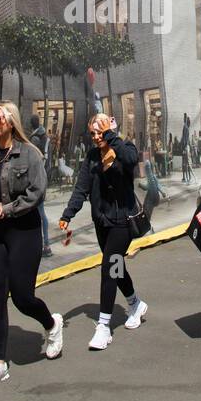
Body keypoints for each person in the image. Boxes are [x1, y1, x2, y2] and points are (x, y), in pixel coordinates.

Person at [0, 101, 63, 387]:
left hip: (24, 230)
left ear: (11, 122)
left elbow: (37, 193)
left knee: (22, 297)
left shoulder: (30, 154)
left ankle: (52, 324)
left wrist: (5, 209)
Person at [59, 113, 149, 350]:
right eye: (93, 133)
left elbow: (131, 160)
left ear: (110, 129)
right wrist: (68, 214)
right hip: (102, 223)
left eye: (100, 132)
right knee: (117, 268)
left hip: (122, 222)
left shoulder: (124, 148)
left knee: (109, 268)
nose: (97, 137)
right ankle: (135, 304)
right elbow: (81, 188)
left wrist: (111, 135)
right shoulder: (91, 156)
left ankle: (103, 326)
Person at [28, 114, 53, 257]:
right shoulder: (45, 137)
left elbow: (32, 161)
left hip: (36, 180)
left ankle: (43, 245)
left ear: (32, 125)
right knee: (41, 213)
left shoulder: (35, 139)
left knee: (37, 213)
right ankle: (46, 244)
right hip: (43, 178)